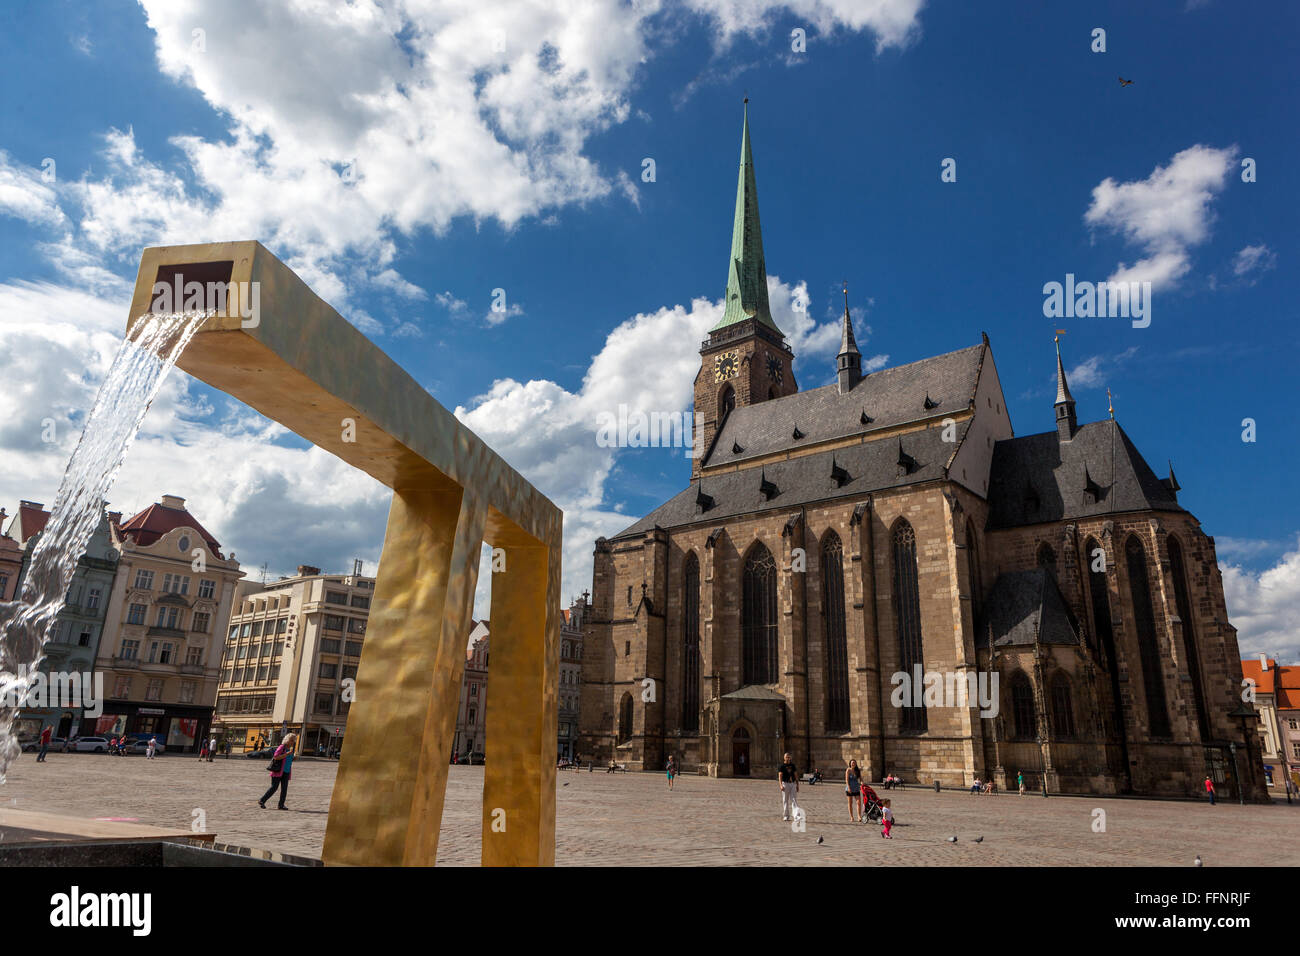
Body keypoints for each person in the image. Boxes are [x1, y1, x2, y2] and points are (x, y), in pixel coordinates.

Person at [259, 733, 297, 810]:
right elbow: (276, 757)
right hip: (278, 770)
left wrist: (294, 757)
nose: (292, 742)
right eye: (291, 740)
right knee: (274, 787)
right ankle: (262, 800)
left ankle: (281, 805)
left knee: (284, 789)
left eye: (294, 741)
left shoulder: (291, 750)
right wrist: (286, 754)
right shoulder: (282, 747)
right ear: (287, 740)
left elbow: (290, 760)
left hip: (286, 771)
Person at [778, 752, 800, 822]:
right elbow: (780, 777)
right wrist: (781, 785)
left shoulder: (793, 766)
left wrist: (797, 784)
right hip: (785, 784)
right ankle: (786, 816)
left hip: (792, 784)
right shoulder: (781, 766)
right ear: (784, 758)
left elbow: (796, 775)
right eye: (787, 757)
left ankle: (796, 816)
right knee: (785, 800)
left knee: (794, 800)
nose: (788, 758)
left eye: (789, 757)